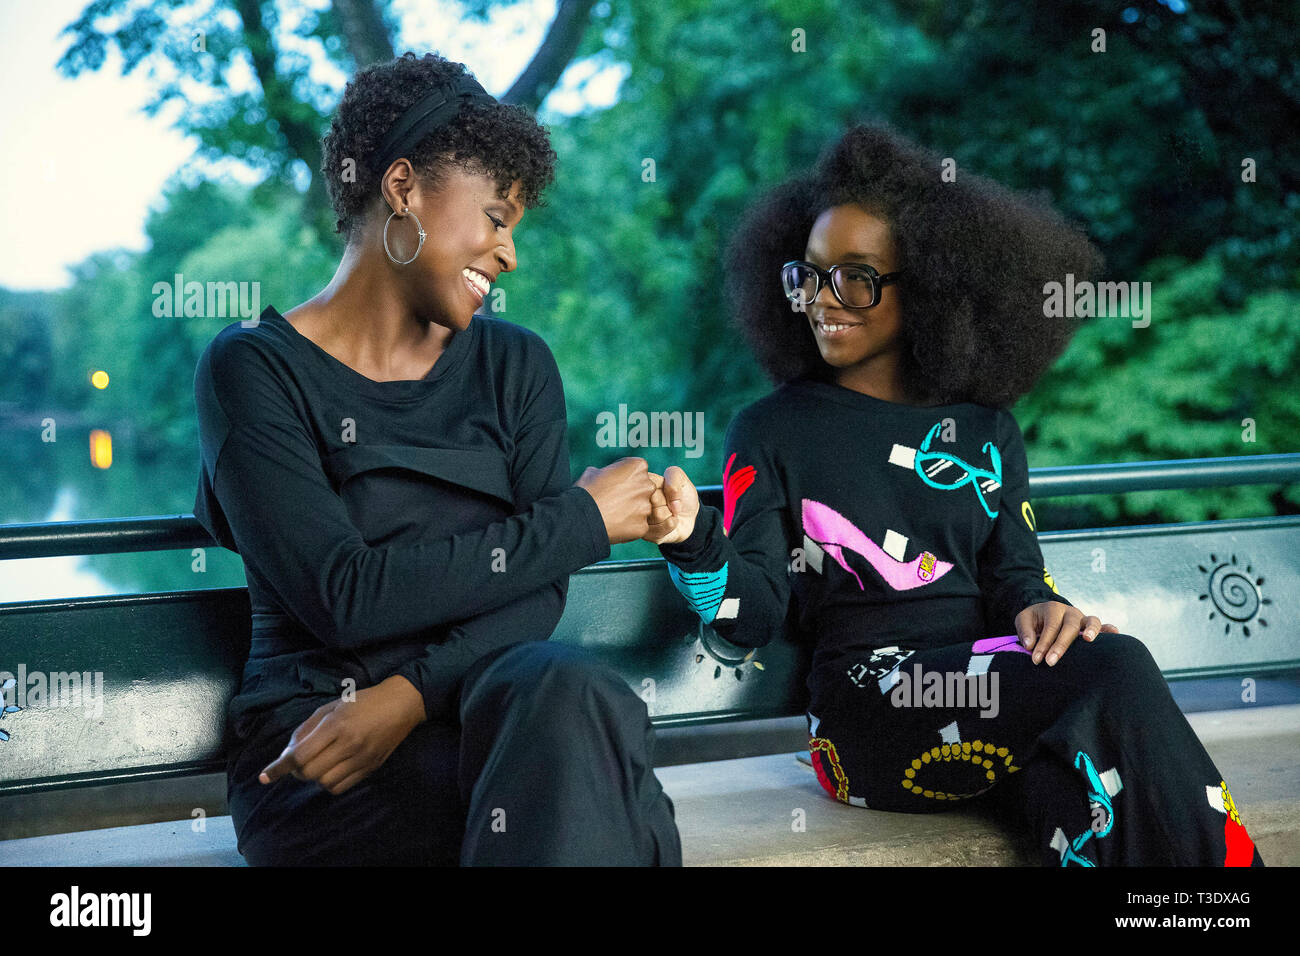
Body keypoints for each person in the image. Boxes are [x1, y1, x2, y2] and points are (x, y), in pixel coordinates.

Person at [645, 124, 1263, 866]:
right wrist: (691, 537)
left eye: (856, 276)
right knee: (1116, 665)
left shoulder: (985, 430)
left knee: (1087, 811)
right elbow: (755, 615)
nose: (822, 300)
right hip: (868, 715)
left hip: (998, 701)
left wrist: (1043, 610)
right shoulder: (773, 430)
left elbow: (1014, 577)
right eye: (808, 275)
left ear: (934, 288)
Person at [192, 52, 681, 866]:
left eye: (515, 227)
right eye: (494, 217)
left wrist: (410, 696)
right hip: (325, 750)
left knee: (569, 695)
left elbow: (537, 595)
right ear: (404, 189)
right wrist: (581, 520)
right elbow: (343, 595)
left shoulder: (516, 366)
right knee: (590, 783)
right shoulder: (253, 369)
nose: (509, 252)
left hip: (490, 727)